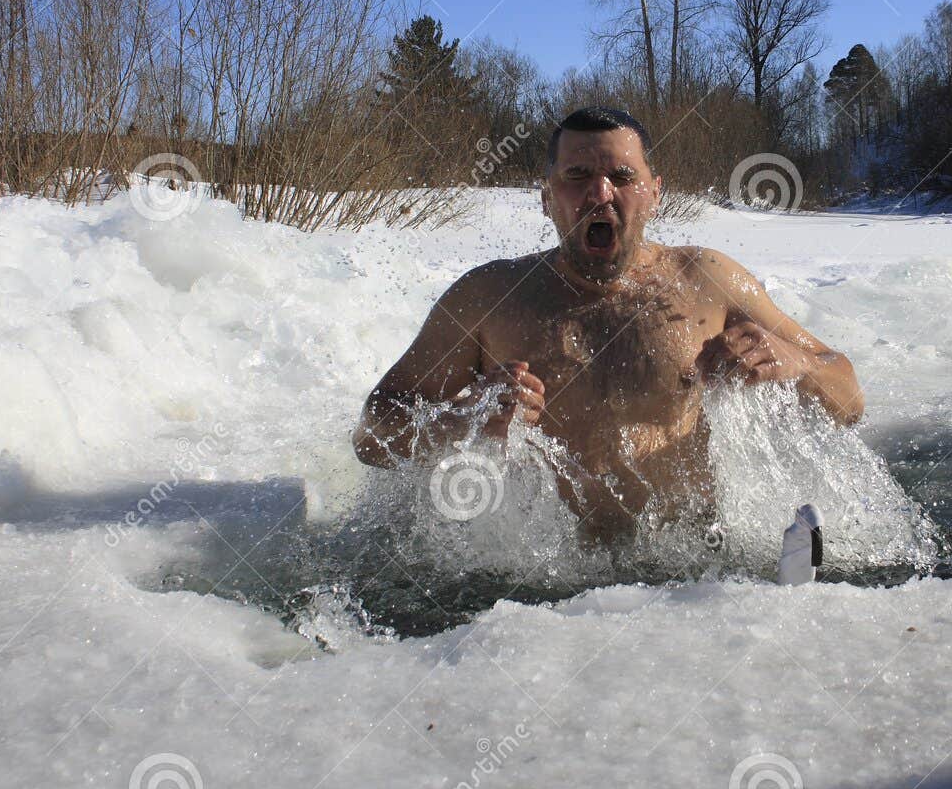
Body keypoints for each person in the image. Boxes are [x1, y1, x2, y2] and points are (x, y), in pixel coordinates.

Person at [353, 106, 863, 540]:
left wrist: (795, 363)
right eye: (577, 177)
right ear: (547, 196)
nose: (600, 194)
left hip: (696, 564)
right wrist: (466, 423)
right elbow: (372, 437)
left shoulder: (708, 281)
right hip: (546, 586)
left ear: (655, 192)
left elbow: (849, 401)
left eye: (622, 177)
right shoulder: (488, 299)